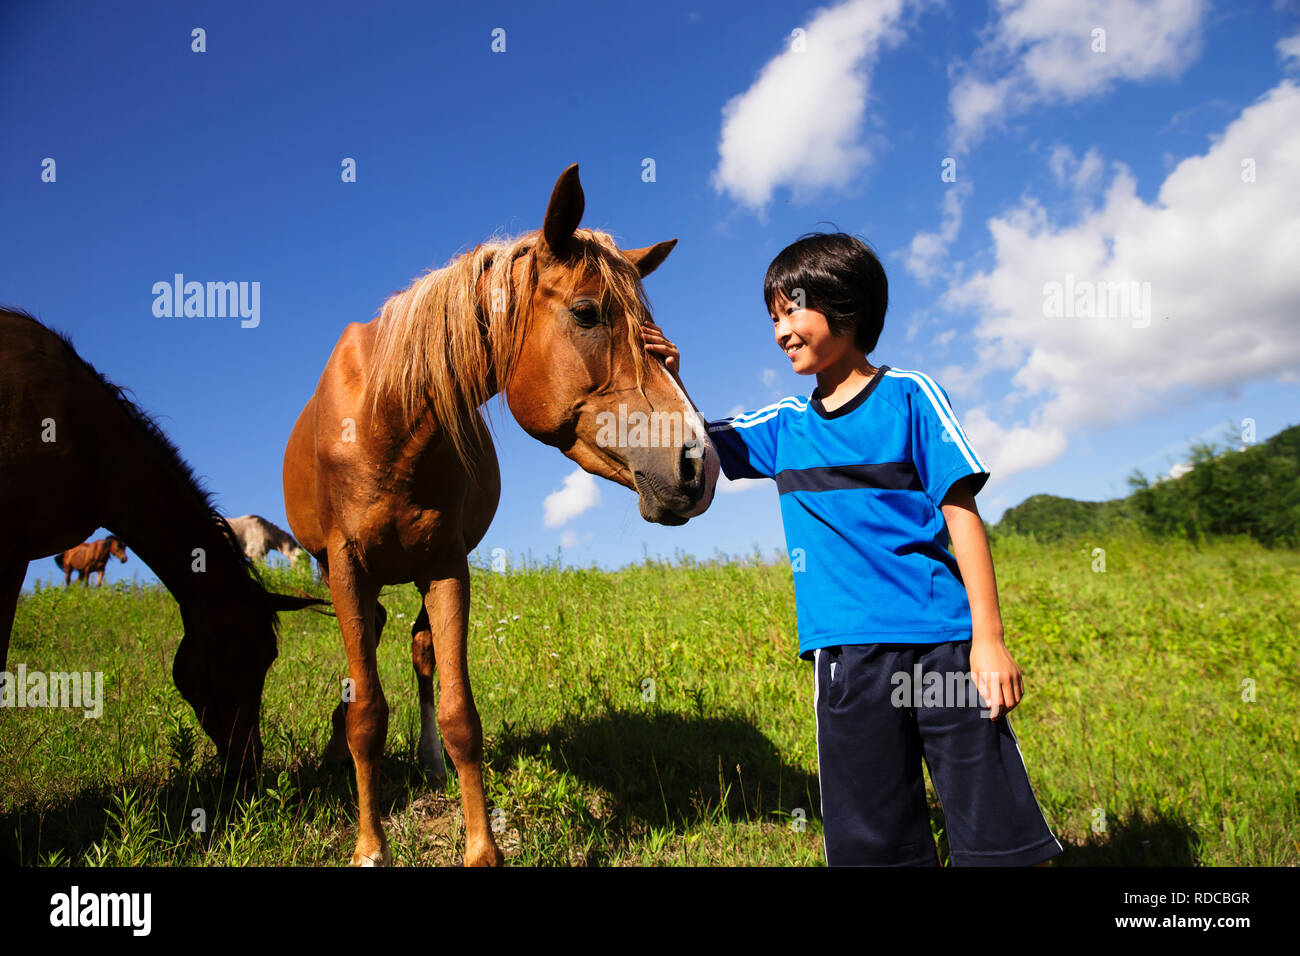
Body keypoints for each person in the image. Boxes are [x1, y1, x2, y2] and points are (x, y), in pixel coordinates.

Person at [641, 231, 1062, 867]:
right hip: (847, 661)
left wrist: (989, 638)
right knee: (873, 841)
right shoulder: (784, 426)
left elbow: (961, 511)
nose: (780, 331)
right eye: (772, 318)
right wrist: (669, 378)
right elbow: (695, 443)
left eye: (793, 311)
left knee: (995, 829)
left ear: (847, 307)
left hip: (944, 647)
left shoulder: (910, 396)